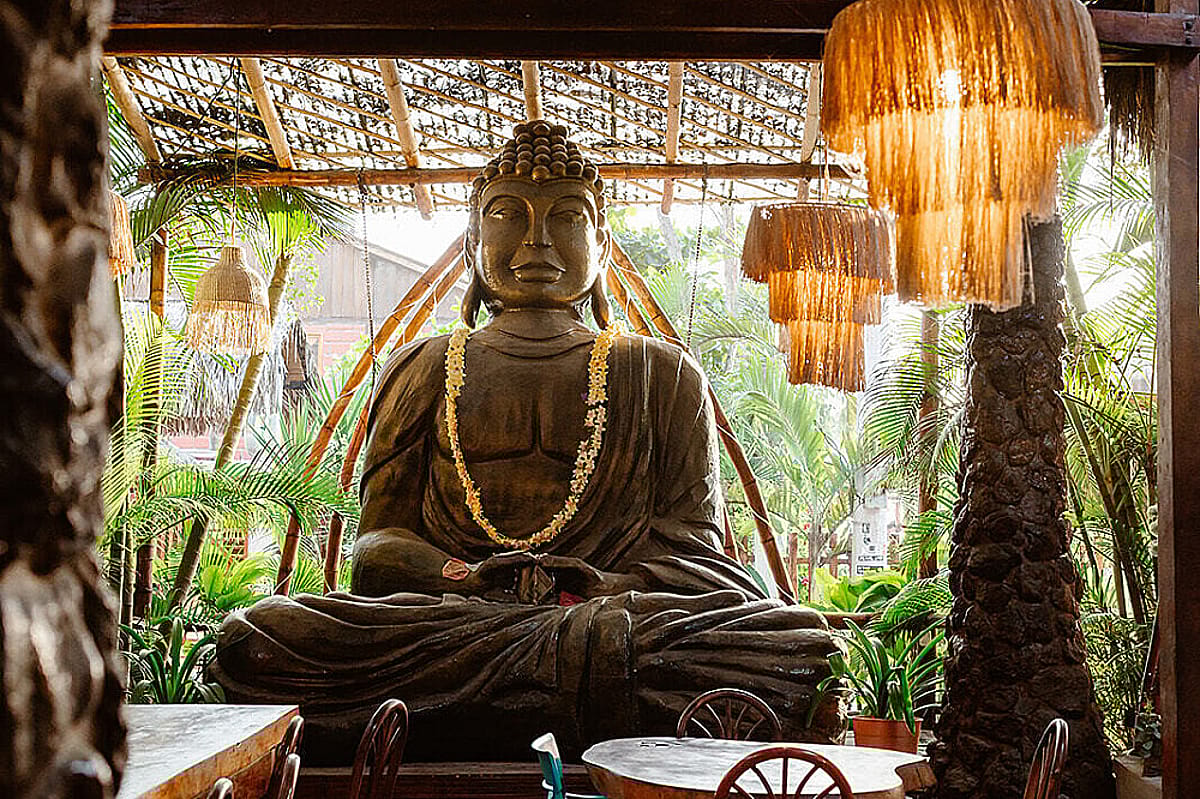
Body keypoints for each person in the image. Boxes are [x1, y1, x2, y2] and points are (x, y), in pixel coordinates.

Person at [212, 122, 844, 763]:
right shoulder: (424, 365)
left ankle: (495, 703)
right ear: (473, 241)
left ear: (601, 244)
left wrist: (602, 585)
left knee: (802, 646)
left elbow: (696, 559)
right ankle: (581, 700)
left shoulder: (662, 372)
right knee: (257, 640)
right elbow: (375, 551)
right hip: (455, 623)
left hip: (610, 618)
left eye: (567, 218)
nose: (538, 239)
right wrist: (462, 574)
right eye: (509, 215)